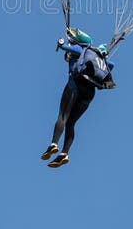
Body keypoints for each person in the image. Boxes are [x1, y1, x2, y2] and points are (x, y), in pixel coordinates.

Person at [41, 35, 115, 167]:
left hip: (76, 84)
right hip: (90, 92)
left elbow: (66, 48)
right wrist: (103, 57)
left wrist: (61, 43)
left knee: (63, 116)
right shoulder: (97, 56)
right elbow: (111, 65)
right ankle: (64, 153)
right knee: (71, 123)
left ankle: (53, 144)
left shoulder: (81, 49)